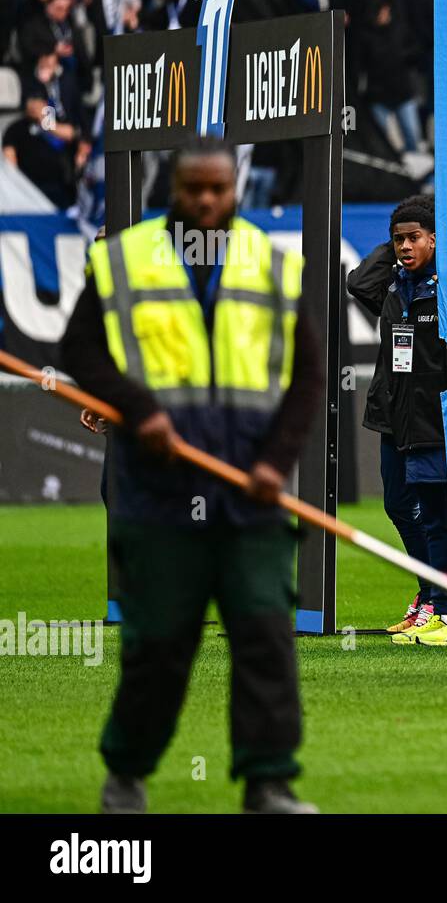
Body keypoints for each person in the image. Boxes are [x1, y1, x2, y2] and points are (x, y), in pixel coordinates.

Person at [59, 136, 323, 813]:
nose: (207, 202)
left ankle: (269, 783)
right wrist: (137, 410)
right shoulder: (124, 260)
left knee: (266, 639)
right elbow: (79, 353)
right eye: (194, 190)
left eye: (219, 190)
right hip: (160, 499)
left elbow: (306, 379)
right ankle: (126, 774)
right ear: (172, 189)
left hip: (250, 498)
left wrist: (274, 464)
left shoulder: (270, 264)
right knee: (158, 648)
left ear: (237, 189)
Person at [345, 195, 447, 647]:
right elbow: (357, 282)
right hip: (394, 414)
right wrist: (395, 239)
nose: (405, 247)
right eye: (398, 240)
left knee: (435, 512)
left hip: (430, 417)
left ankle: (442, 604)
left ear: (436, 238)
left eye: (415, 238)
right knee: (397, 506)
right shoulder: (393, 285)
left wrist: (427, 238)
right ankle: (428, 592)